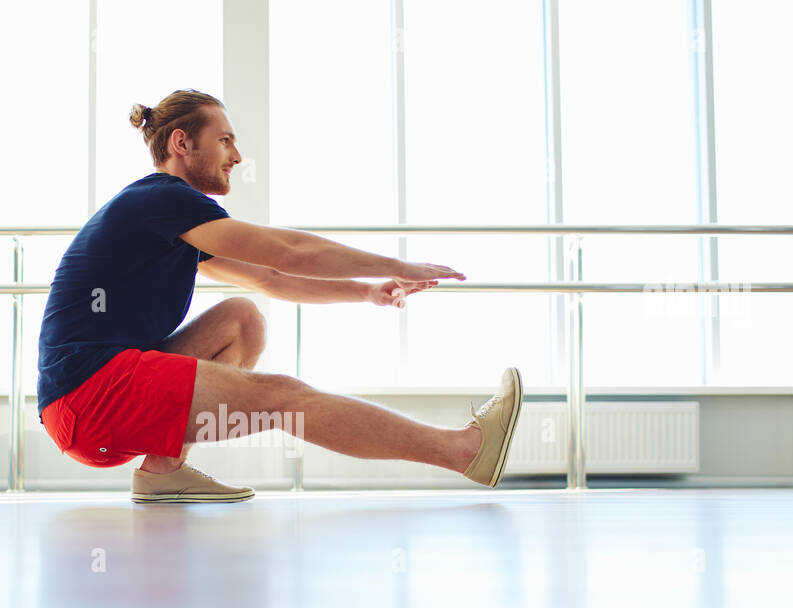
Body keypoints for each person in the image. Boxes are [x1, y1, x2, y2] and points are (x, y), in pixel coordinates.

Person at [37, 88, 522, 503]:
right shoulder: (161, 198)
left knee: (242, 318)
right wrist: (396, 264)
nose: (237, 156)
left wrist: (369, 292)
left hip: (92, 397)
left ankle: (162, 471)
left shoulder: (169, 220)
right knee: (283, 398)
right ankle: (464, 450)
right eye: (224, 140)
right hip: (90, 397)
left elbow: (269, 276)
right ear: (181, 142)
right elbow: (289, 251)